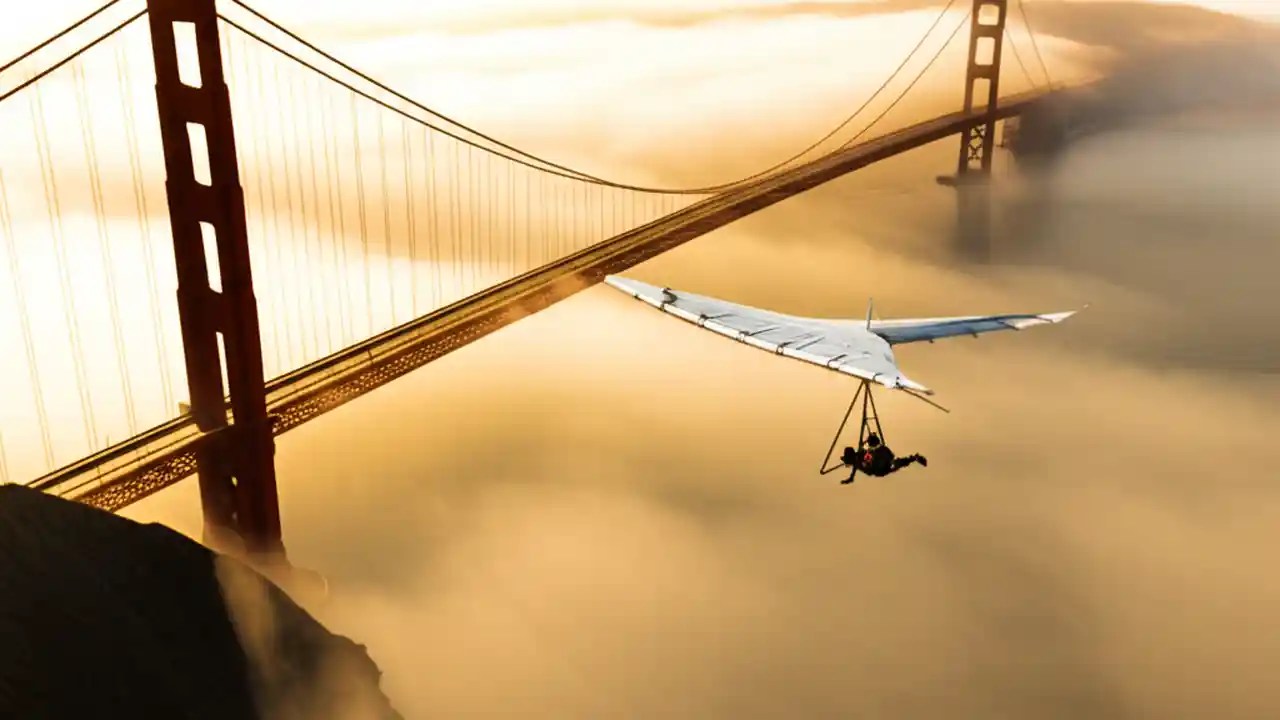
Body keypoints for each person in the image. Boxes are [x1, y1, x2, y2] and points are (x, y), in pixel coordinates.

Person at [839, 433, 926, 483]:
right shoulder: (860, 457)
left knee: (896, 463)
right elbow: (858, 462)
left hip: (882, 468)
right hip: (875, 468)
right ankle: (913, 458)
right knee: (858, 460)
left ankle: (914, 458)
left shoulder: (880, 450)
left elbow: (891, 459)